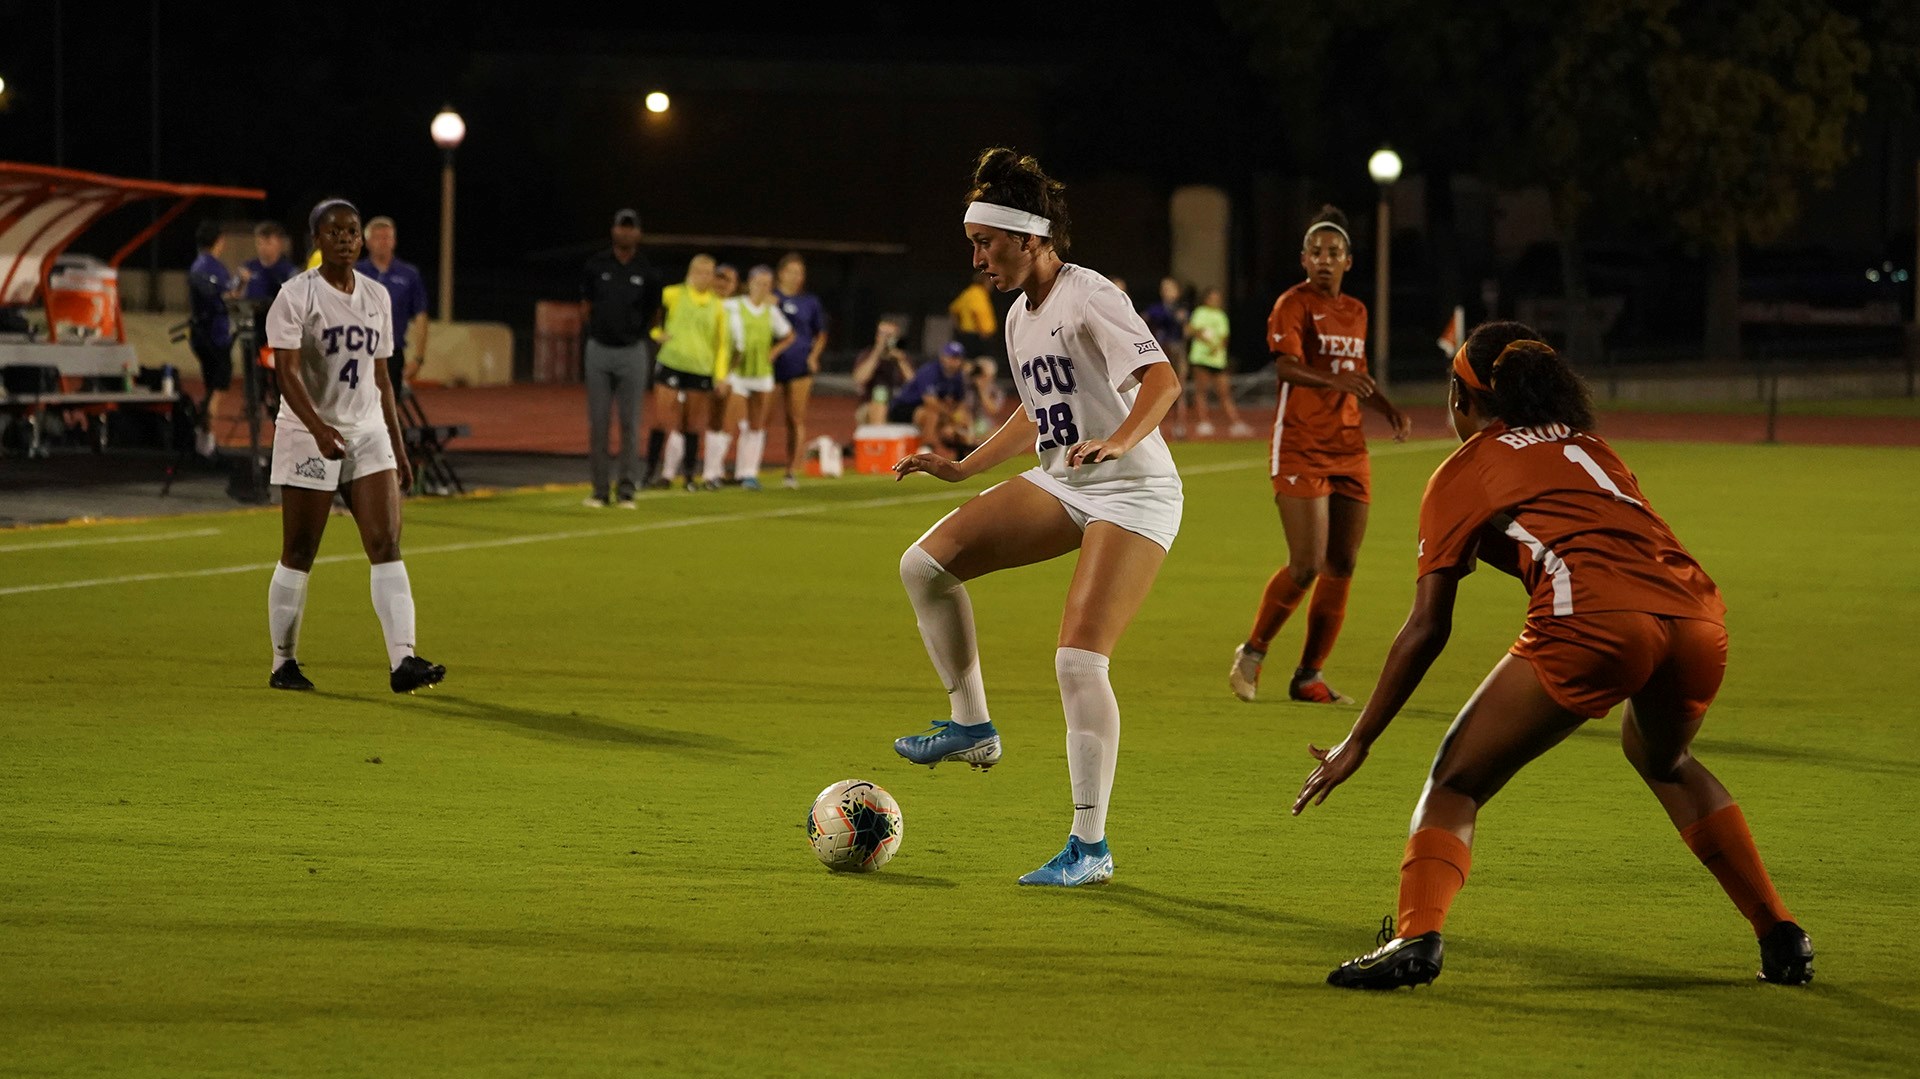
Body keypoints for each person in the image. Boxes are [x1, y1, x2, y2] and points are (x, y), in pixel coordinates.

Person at [1293, 322, 1813, 990]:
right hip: (1696, 619)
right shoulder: (1591, 445)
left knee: (1455, 781)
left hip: (1594, 618)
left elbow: (1427, 627)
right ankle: (1780, 932)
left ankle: (1415, 935)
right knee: (1664, 758)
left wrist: (1360, 739)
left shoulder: (1463, 468)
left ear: (1461, 398)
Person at [891, 147, 1183, 888]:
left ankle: (1090, 845)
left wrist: (1119, 441)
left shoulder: (1090, 293)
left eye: (985, 243)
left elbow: (1162, 381)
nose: (977, 259)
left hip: (1134, 491)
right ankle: (971, 724)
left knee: (1078, 661)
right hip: (1069, 481)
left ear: (1029, 237)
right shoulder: (1021, 315)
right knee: (924, 566)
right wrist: (964, 467)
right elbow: (1035, 411)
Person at [1229, 206, 1411, 705]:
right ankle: (1253, 651)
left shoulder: (1357, 311)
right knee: (1306, 563)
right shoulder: (1293, 304)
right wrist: (1337, 381)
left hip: (1349, 448)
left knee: (1342, 562)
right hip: (1300, 444)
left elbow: (1357, 374)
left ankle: (1309, 675)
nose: (1324, 260)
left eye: (1334, 252)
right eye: (1316, 252)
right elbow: (1286, 368)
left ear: (1349, 261)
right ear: (1304, 260)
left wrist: (1388, 409)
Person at [262, 198, 445, 694]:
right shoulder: (296, 295)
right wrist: (319, 429)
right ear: (317, 239)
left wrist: (398, 445)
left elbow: (382, 379)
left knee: (386, 543)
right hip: (308, 431)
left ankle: (403, 660)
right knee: (300, 550)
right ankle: (283, 662)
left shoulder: (377, 296)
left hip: (366, 431)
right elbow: (285, 374)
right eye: (335, 231)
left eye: (352, 231)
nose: (345, 238)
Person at [580, 208, 662, 507]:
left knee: (630, 423)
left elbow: (655, 311)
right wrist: (597, 332)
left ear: (638, 233)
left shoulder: (647, 270)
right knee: (598, 423)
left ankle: (626, 489)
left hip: (632, 351)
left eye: (631, 228)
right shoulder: (596, 265)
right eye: (621, 227)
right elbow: (586, 305)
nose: (626, 232)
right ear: (613, 230)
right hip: (599, 350)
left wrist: (636, 334)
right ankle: (600, 490)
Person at [646, 254, 729, 491]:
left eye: (708, 273)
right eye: (699, 272)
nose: (704, 277)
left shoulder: (717, 306)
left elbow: (721, 344)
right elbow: (648, 308)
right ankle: (649, 473)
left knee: (691, 424)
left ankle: (689, 476)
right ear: (690, 273)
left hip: (700, 368)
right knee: (661, 419)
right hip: (671, 362)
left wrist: (720, 375)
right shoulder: (673, 294)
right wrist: (654, 332)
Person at [721, 264, 794, 490]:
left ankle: (748, 473)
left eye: (767, 284)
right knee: (729, 421)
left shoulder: (771, 311)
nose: (763, 288)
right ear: (750, 283)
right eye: (759, 283)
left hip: (761, 374)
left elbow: (789, 335)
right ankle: (714, 470)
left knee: (756, 425)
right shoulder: (734, 305)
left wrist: (773, 352)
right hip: (737, 373)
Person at [355, 216, 431, 393]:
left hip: (392, 354)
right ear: (367, 242)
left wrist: (418, 358)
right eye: (377, 237)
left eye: (387, 237)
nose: (383, 242)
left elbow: (421, 316)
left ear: (394, 241)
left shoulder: (409, 275)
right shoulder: (354, 272)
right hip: (358, 353)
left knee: (388, 406)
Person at [187, 220, 243, 458]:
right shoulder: (212, 267)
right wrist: (243, 281)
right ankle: (207, 444)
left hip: (201, 334)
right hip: (215, 336)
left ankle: (203, 440)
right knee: (217, 389)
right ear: (219, 241)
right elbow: (227, 297)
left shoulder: (196, 265)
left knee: (211, 386)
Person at [771, 253, 827, 489]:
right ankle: (748, 468)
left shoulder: (810, 302)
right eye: (791, 272)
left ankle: (791, 470)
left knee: (795, 418)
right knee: (761, 418)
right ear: (781, 273)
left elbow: (821, 333)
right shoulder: (770, 298)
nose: (796, 277)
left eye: (799, 273)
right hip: (770, 364)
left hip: (799, 364)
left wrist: (813, 357)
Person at [1185, 286, 1250, 438]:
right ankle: (1204, 422)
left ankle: (1235, 422)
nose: (1215, 300)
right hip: (1201, 358)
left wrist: (1216, 347)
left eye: (1217, 298)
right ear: (1206, 299)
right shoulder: (1200, 312)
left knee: (1224, 393)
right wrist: (1203, 338)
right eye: (1212, 298)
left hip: (1217, 360)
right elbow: (1191, 329)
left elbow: (1224, 337)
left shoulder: (1221, 316)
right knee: (1201, 391)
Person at [891, 341, 973, 457]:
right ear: (943, 357)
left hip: (930, 408)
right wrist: (951, 416)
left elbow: (959, 401)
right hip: (904, 407)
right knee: (932, 415)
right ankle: (926, 450)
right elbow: (929, 401)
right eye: (951, 357)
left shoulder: (958, 376)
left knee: (961, 418)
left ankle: (962, 451)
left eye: (957, 358)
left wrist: (959, 416)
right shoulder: (929, 371)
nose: (954, 361)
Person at [1142, 277, 1190, 438]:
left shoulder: (1182, 309)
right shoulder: (1156, 309)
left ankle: (1180, 425)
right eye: (1164, 289)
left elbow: (1187, 330)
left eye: (1170, 289)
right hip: (1161, 349)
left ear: (1177, 292)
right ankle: (1156, 426)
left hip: (1177, 348)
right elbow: (1143, 321)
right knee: (1158, 388)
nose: (1167, 292)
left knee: (1179, 388)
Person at [850, 318, 915, 426]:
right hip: (870, 405)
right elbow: (859, 379)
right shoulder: (867, 355)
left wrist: (901, 361)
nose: (885, 339)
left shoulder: (904, 358)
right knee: (880, 405)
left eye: (890, 335)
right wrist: (877, 354)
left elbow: (914, 384)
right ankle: (880, 435)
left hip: (898, 405)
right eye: (883, 334)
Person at [948, 272, 997, 360]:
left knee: (969, 360)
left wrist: (958, 327)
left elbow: (953, 309)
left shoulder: (967, 292)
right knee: (981, 361)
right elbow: (975, 312)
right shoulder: (978, 293)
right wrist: (981, 331)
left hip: (967, 334)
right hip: (977, 336)